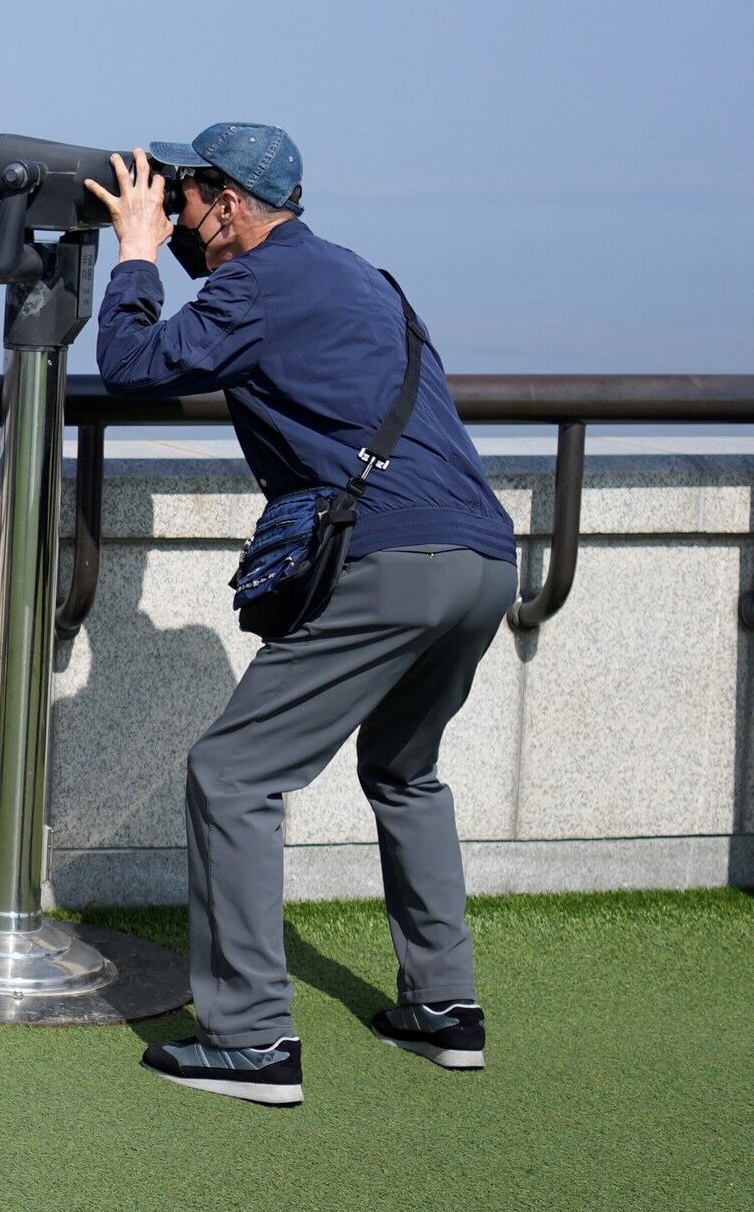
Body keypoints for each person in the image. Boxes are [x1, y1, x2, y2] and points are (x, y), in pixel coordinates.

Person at [87, 124, 520, 1107]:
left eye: (187, 193)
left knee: (232, 772)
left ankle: (248, 1041)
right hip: (484, 556)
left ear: (231, 205)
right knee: (405, 771)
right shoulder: (365, 279)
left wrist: (138, 253)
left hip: (395, 562)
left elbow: (133, 362)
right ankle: (445, 1010)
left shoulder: (262, 282)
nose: (181, 211)